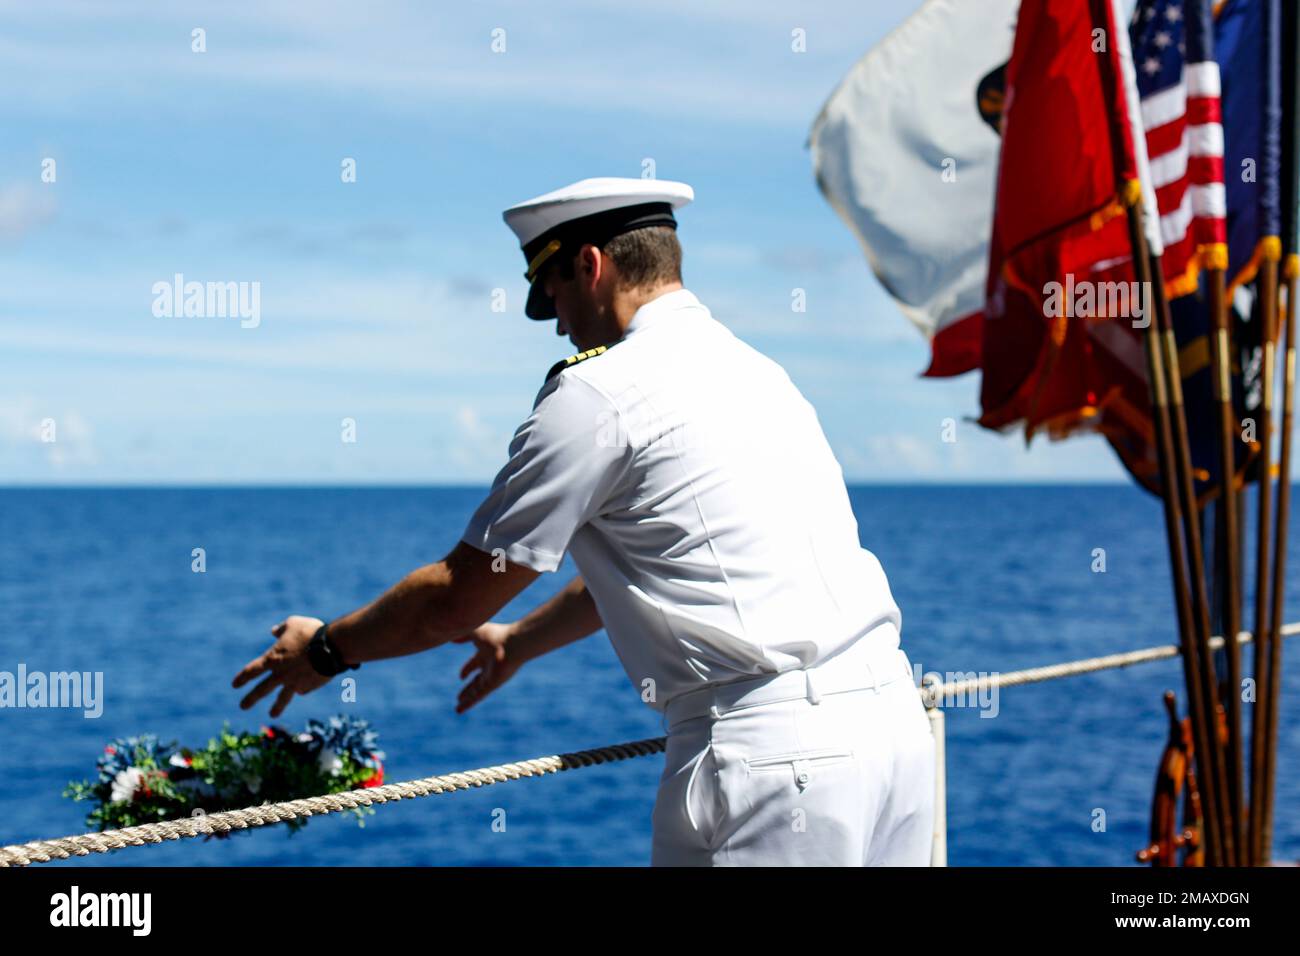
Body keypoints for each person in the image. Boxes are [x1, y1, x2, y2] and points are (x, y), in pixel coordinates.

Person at [232, 177, 935, 866]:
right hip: (892, 734)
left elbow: (453, 599)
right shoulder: (761, 376)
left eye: (556, 295)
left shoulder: (599, 394)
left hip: (776, 761)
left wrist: (326, 649)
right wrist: (517, 644)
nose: (561, 321)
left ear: (591, 266)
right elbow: (657, 564)